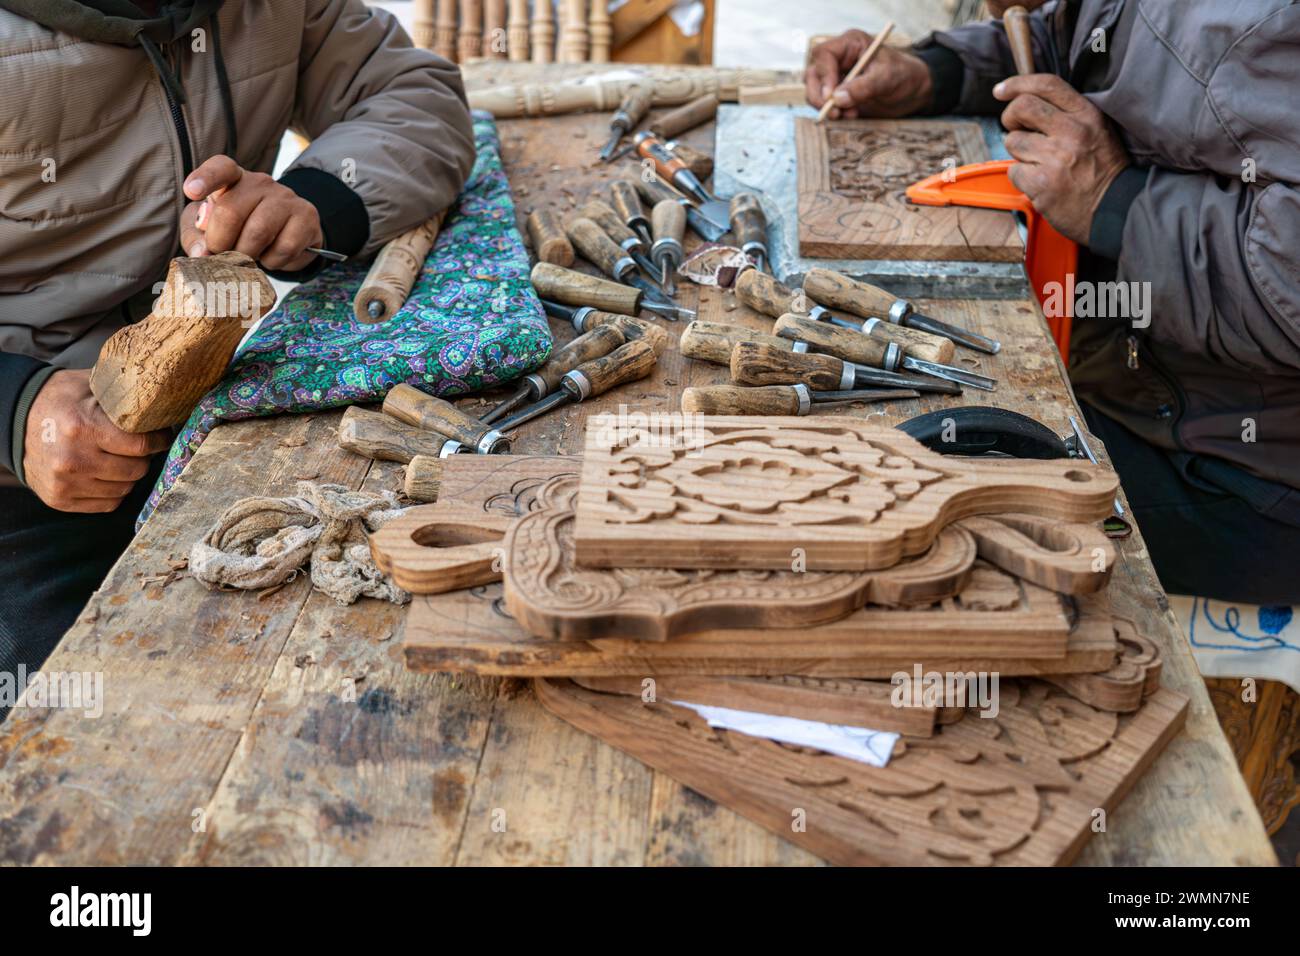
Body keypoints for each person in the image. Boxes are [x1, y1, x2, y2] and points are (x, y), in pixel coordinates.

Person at [0, 0, 477, 690]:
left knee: (358, 683)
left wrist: (316, 201)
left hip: (203, 426)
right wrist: (15, 407)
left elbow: (411, 95)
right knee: (66, 743)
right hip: (21, 485)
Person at [806, 0, 1300, 605]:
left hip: (1242, 481)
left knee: (891, 495)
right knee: (868, 440)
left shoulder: (1272, 26)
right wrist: (934, 73)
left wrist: (1115, 201)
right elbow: (1077, 42)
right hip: (1137, 390)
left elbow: (1289, 286)